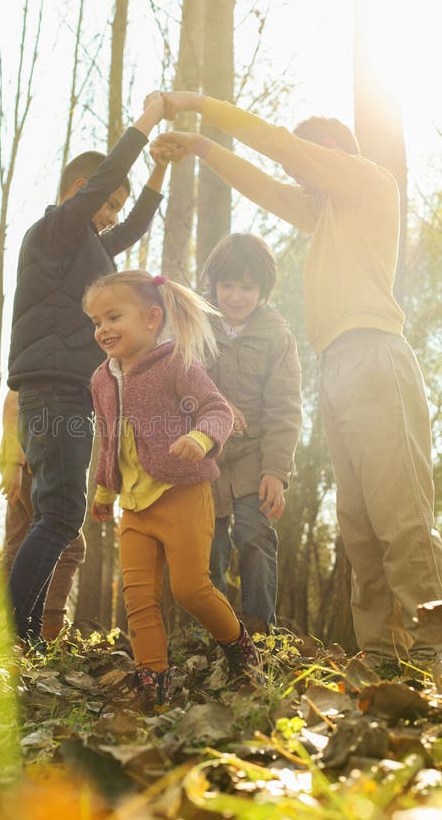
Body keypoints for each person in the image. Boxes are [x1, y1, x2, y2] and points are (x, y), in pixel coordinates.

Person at [151, 90, 442, 665]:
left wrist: (195, 103)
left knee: (400, 517)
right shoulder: (327, 212)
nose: (296, 183)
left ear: (329, 152)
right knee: (358, 526)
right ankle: (383, 654)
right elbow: (264, 187)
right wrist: (205, 148)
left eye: (303, 169)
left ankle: (434, 646)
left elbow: (279, 148)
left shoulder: (369, 184)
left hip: (375, 355)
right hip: (335, 368)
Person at [7, 92, 169, 645]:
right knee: (59, 515)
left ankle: (25, 633)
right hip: (53, 386)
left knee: (55, 514)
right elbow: (104, 184)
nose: (112, 216)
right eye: (108, 204)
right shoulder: (55, 231)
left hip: (66, 390)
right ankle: (17, 634)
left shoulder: (85, 248)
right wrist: (148, 121)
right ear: (81, 191)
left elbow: (133, 230)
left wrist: (159, 169)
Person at [84, 269, 261, 708]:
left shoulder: (176, 363)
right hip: (134, 505)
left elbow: (217, 410)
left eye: (113, 317)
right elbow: (108, 439)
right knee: (138, 595)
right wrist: (105, 490)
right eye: (96, 322)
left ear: (151, 318)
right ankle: (154, 678)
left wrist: (200, 438)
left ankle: (239, 647)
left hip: (182, 493)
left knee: (190, 589)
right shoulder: (101, 380)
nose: (103, 329)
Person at [202, 233, 302, 630]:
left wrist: (276, 471)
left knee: (254, 536)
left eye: (247, 287)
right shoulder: (197, 325)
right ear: (214, 283)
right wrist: (213, 404)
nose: (236, 296)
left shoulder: (276, 335)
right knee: (208, 545)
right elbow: (178, 387)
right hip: (204, 456)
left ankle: (260, 634)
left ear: (262, 289)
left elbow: (285, 407)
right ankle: (213, 634)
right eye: (227, 285)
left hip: (254, 457)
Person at [0, 390, 85, 641]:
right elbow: (14, 404)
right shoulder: (41, 370)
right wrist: (15, 461)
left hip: (26, 459)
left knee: (16, 547)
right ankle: (50, 628)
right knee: (71, 545)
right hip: (29, 462)